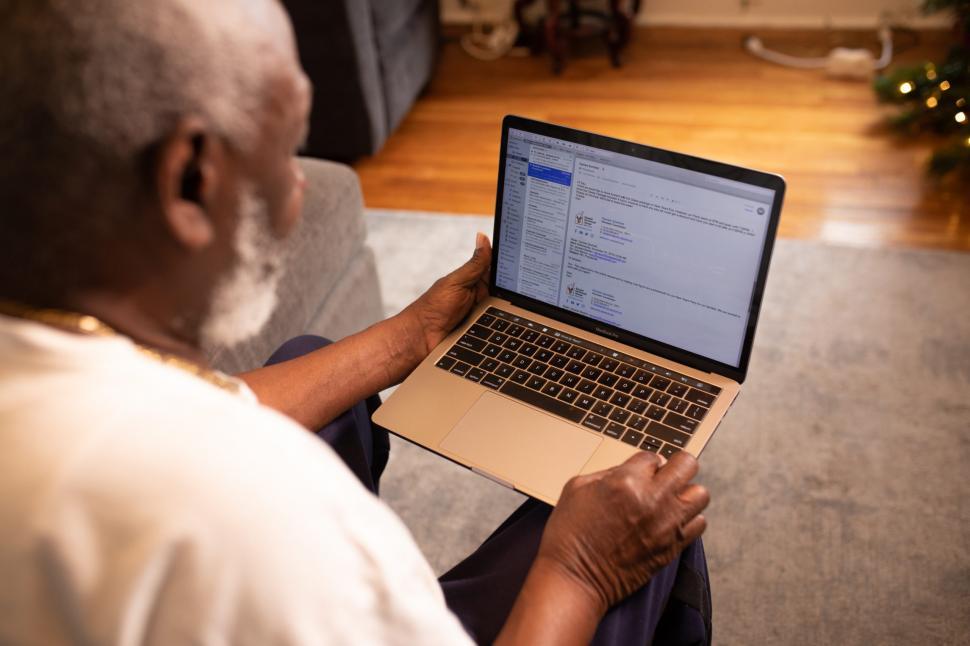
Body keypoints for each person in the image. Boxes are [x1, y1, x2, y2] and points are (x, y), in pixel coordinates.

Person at [0, 1, 711, 644]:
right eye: (284, 148)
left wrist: (411, 335)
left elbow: (200, 405)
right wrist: (580, 568)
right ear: (191, 179)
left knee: (313, 358)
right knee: (643, 513)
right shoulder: (255, 519)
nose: (300, 185)